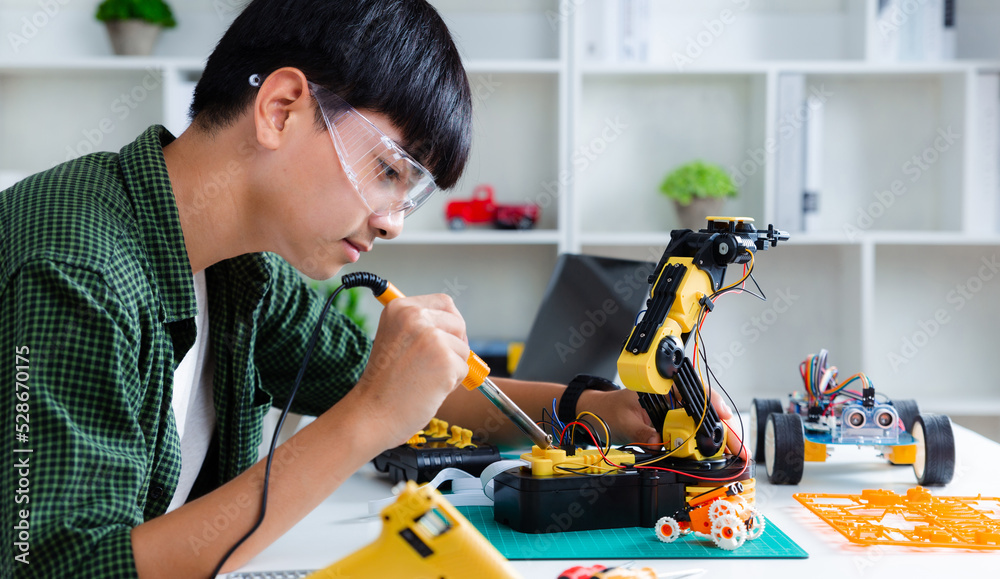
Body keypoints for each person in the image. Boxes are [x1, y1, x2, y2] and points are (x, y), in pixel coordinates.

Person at [0, 1, 743, 576]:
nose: (391, 223)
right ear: (281, 107)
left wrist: (603, 409)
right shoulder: (75, 269)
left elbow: (408, 392)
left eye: (412, 193)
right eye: (390, 172)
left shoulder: (237, 264)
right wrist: (366, 418)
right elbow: (64, 567)